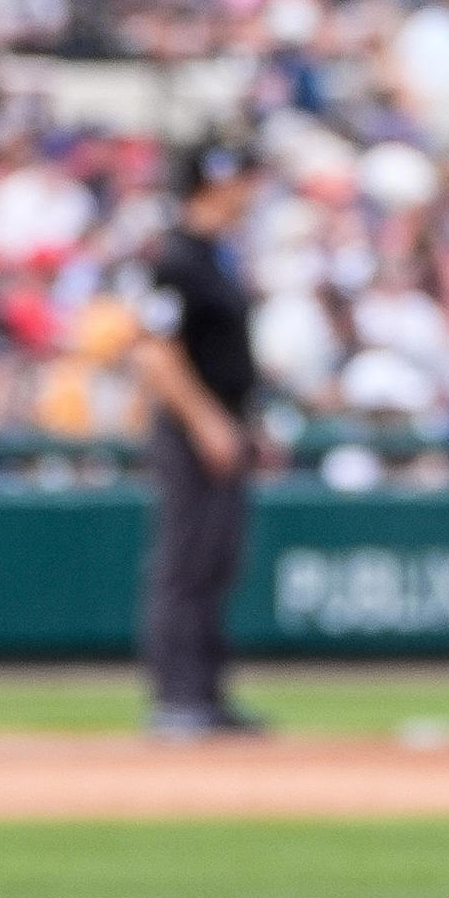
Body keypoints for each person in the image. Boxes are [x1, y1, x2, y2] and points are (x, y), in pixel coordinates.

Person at [129, 136, 264, 740]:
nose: (251, 190)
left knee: (217, 559)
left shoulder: (215, 257)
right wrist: (207, 420)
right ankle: (177, 697)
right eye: (241, 177)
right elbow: (156, 353)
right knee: (185, 559)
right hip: (192, 430)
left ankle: (207, 694)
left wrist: (245, 422)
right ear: (215, 182)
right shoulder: (176, 258)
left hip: (227, 424)